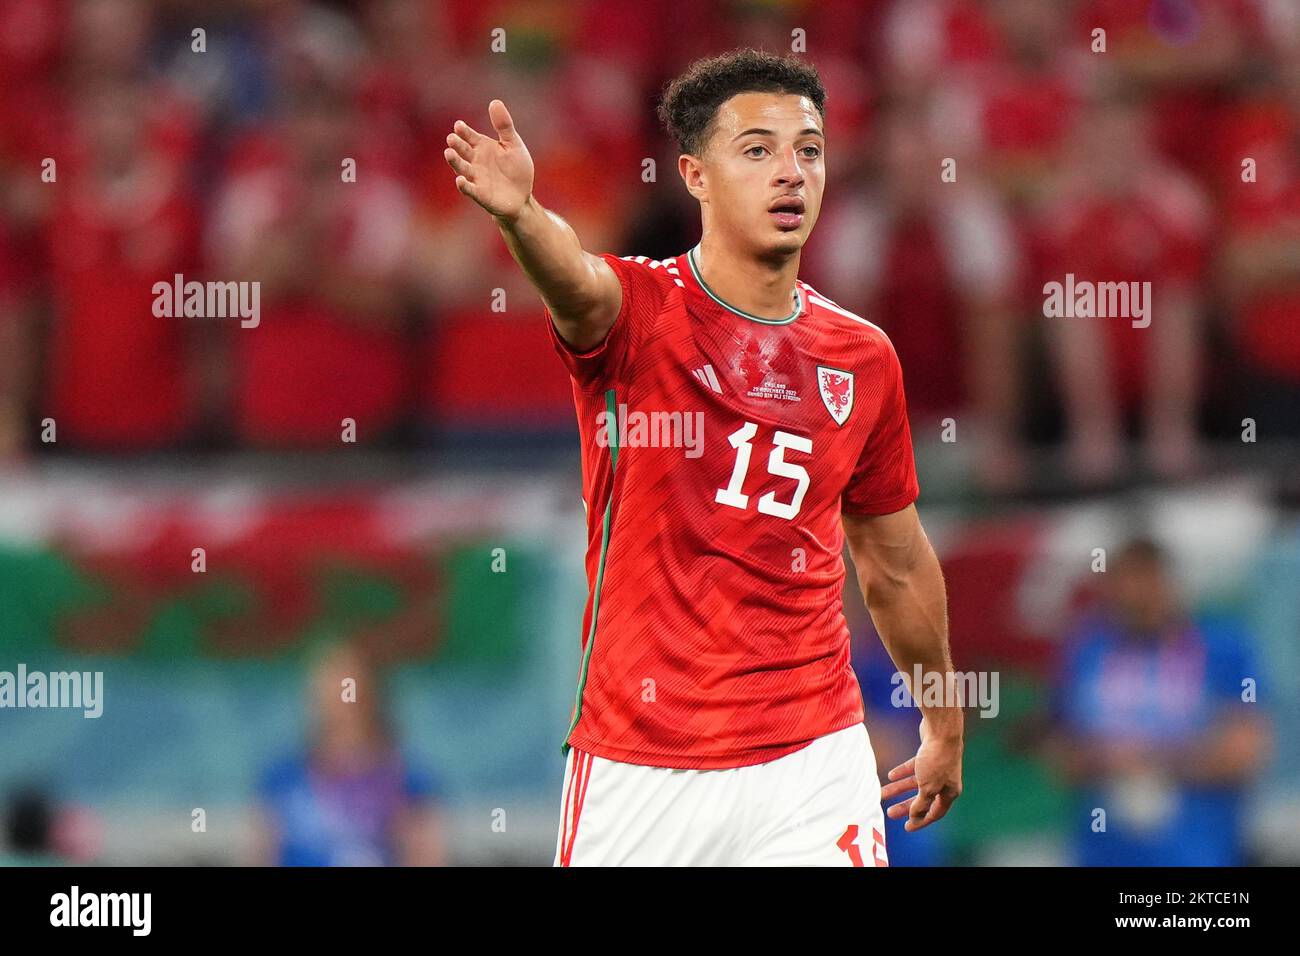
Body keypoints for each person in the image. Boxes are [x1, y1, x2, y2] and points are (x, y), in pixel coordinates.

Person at [444, 49, 962, 866]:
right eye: (757, 150)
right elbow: (576, 284)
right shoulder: (641, 315)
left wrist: (943, 715)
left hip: (811, 756)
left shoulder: (863, 359)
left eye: (810, 150)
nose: (791, 173)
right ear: (696, 174)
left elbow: (893, 562)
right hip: (641, 765)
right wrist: (521, 215)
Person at [1046, 538, 1271, 866]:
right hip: (1103, 853)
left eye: (1144, 581)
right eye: (1122, 582)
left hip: (1197, 852)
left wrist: (1149, 759)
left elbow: (1245, 753)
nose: (1132, 595)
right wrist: (1101, 761)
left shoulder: (1221, 647)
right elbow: (1060, 753)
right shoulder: (1087, 650)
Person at [254, 641, 445, 866]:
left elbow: (425, 856)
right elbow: (261, 853)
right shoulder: (282, 778)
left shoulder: (406, 779)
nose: (331, 696)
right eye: (323, 684)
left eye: (341, 683)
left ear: (368, 691)